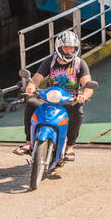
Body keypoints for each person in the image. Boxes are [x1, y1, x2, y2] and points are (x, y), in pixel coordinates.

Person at [14, 30, 95, 162]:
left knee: (78, 111)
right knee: (31, 104)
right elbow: (37, 78)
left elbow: (87, 84)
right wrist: (31, 86)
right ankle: (29, 143)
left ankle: (70, 147)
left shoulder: (80, 63)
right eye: (65, 47)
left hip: (69, 101)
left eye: (72, 47)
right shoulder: (50, 61)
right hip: (49, 99)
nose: (69, 50)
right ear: (58, 47)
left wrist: (84, 95)